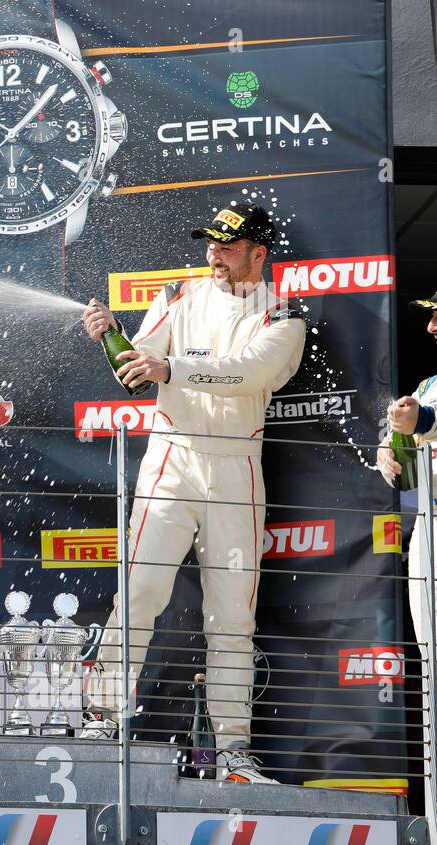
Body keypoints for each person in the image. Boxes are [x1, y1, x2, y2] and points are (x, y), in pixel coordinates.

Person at [78, 201, 307, 784]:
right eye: (210, 242)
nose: (214, 254)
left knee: (232, 619)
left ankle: (232, 753)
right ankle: (101, 720)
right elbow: (134, 367)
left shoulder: (284, 317)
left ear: (259, 253)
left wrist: (169, 369)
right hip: (171, 458)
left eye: (227, 247)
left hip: (236, 471)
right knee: (140, 592)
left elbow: (245, 373)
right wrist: (112, 338)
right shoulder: (181, 291)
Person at [376, 289, 437, 751]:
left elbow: (427, 419)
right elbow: (412, 422)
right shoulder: (428, 384)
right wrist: (386, 448)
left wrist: (420, 421)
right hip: (428, 523)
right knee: (429, 653)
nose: (431, 327)